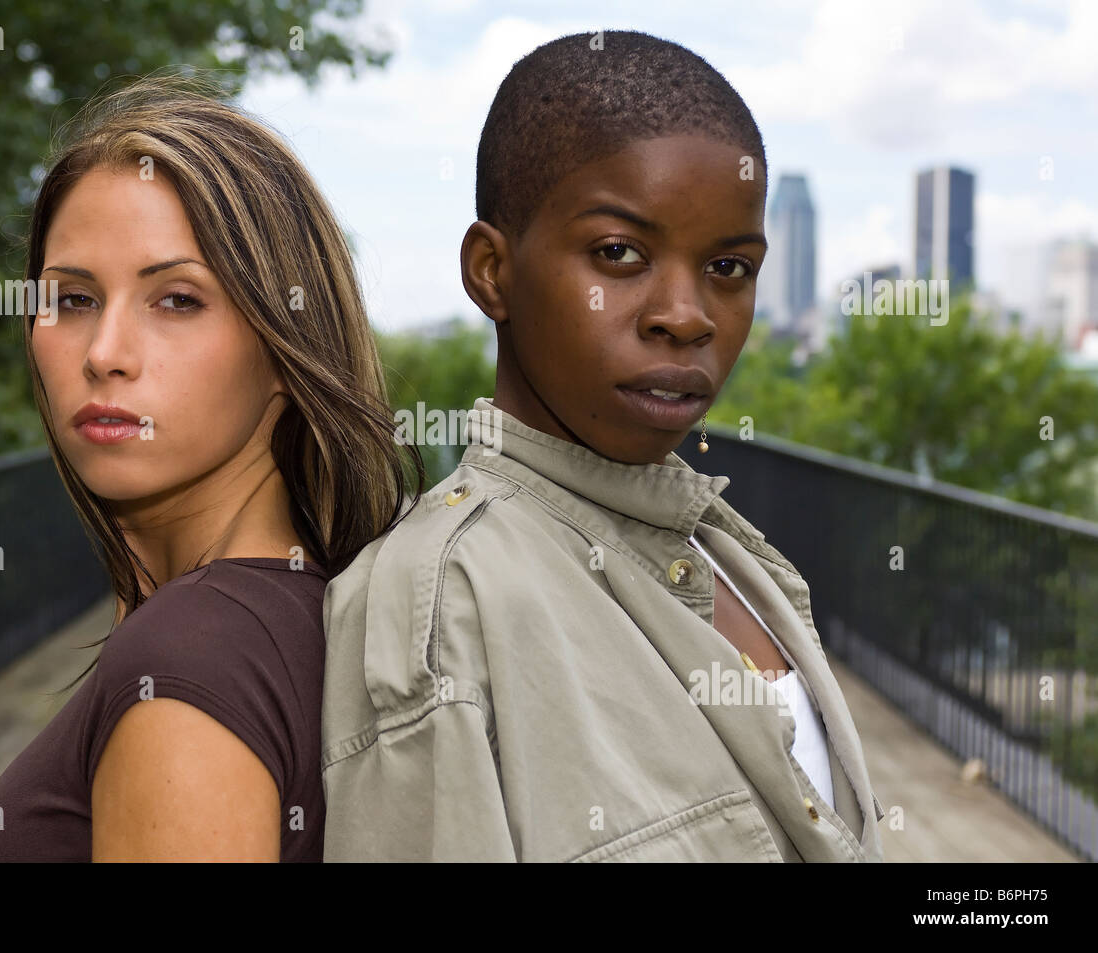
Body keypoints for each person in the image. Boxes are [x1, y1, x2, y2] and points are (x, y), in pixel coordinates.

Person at [320, 31, 885, 862]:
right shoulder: (442, 603)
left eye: (728, 266)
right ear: (492, 272)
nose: (686, 314)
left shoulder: (738, 558)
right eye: (619, 253)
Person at [0, 75, 422, 862]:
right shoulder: (305, 613)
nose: (104, 354)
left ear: (284, 346)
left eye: (176, 300)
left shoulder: (189, 652)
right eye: (72, 299)